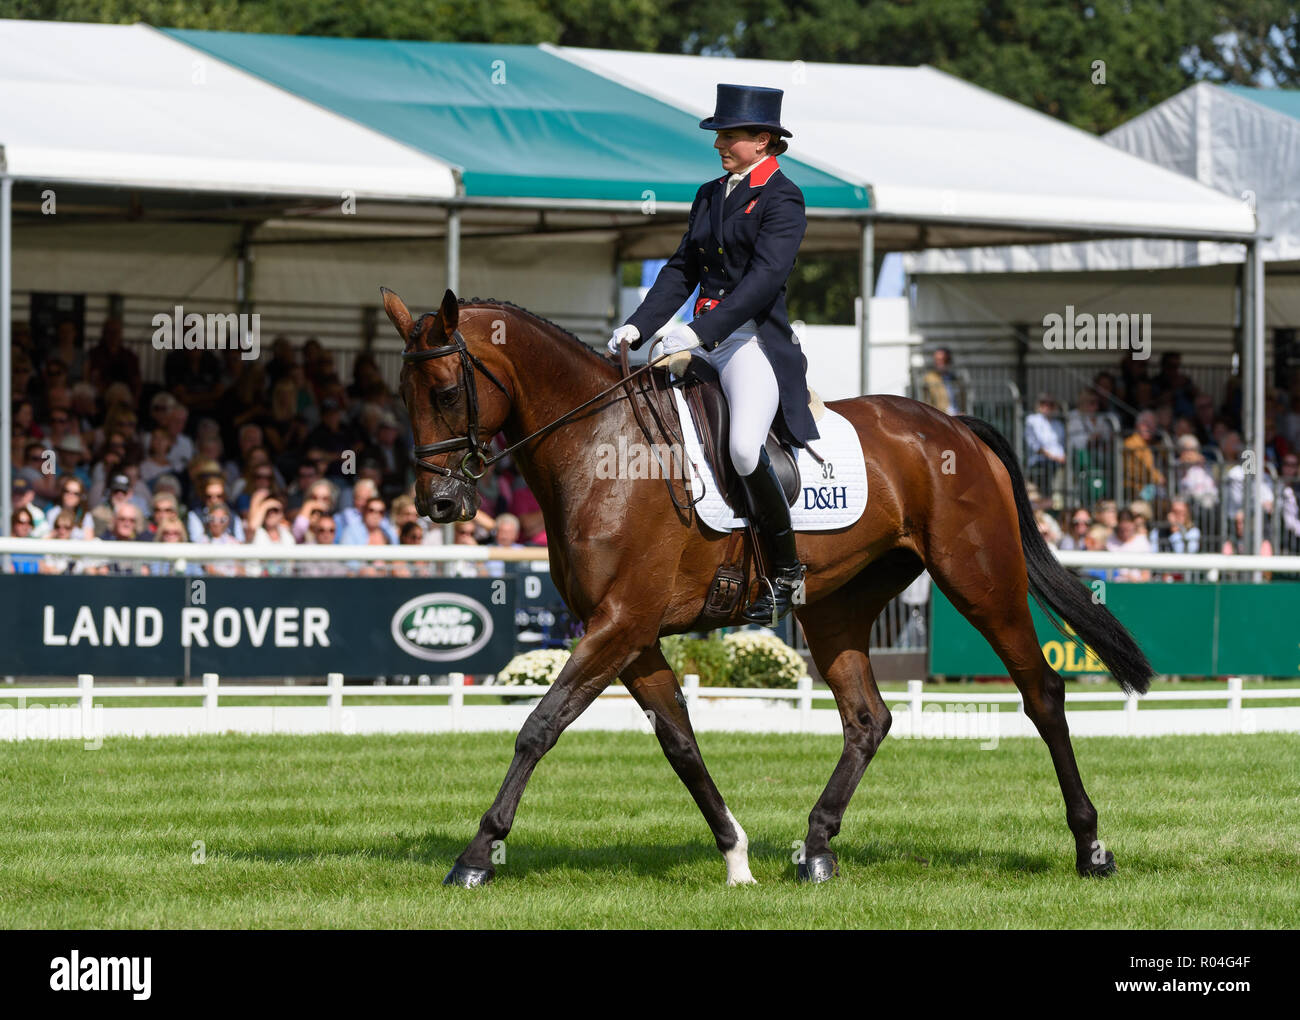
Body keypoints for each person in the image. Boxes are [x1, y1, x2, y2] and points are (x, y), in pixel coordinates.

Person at [607, 83, 815, 624]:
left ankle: (786, 570)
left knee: (745, 448)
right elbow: (682, 269)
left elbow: (766, 279)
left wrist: (699, 331)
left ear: (762, 140)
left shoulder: (783, 197)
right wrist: (638, 325)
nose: (720, 143)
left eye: (730, 135)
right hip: (699, 338)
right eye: (719, 134)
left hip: (751, 342)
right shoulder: (709, 193)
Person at [921, 347, 967, 416]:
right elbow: (926, 402)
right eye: (937, 360)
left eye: (944, 360)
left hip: (958, 415)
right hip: (940, 416)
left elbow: (963, 399)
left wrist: (962, 411)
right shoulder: (929, 378)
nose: (940, 363)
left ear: (949, 361)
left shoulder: (955, 378)